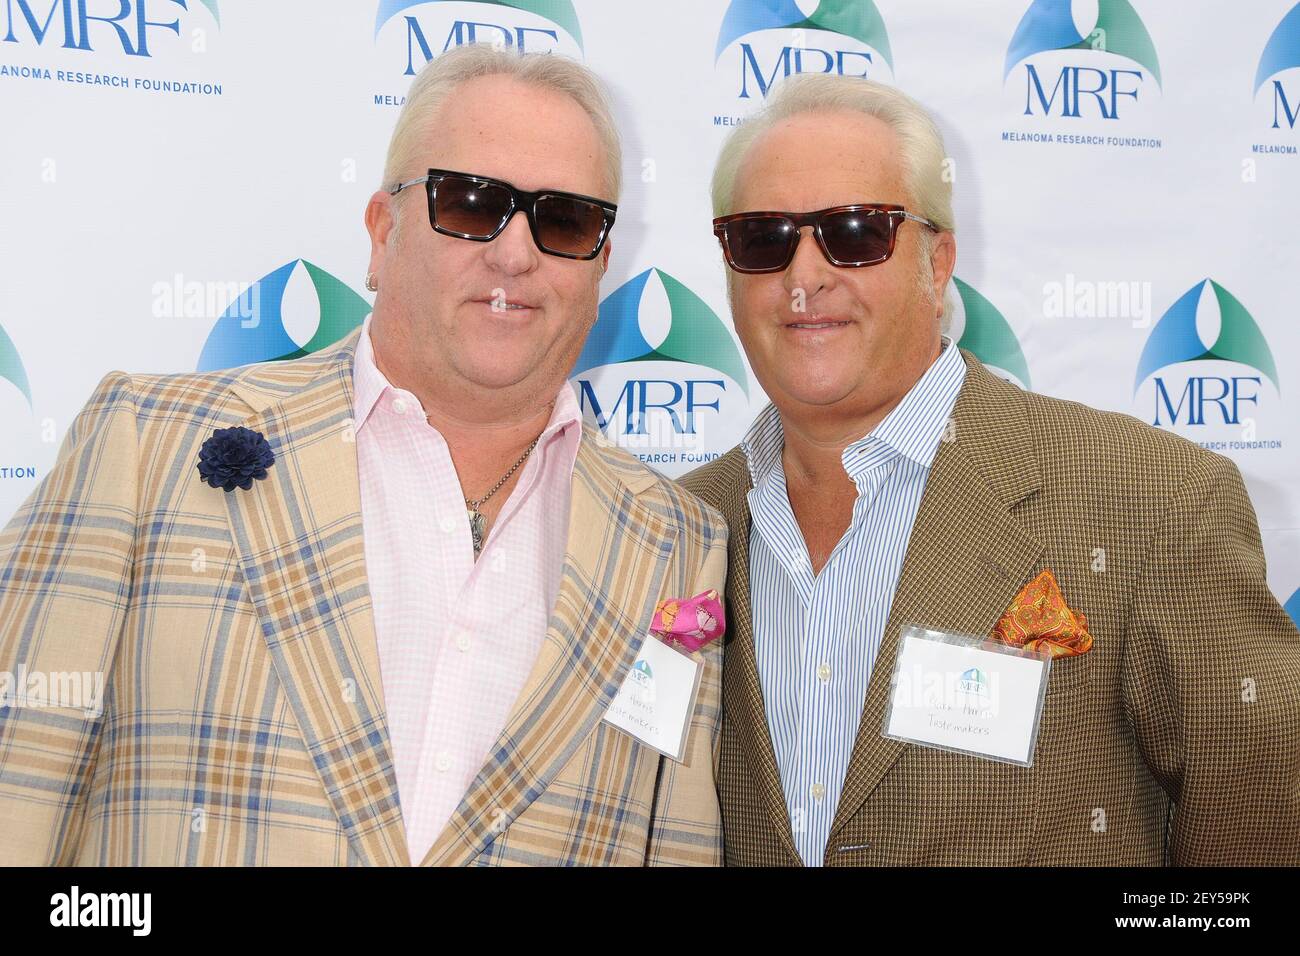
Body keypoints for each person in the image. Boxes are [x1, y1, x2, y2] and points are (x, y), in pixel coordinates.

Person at [0, 45, 726, 867]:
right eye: (471, 201)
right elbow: (17, 786)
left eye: (563, 220)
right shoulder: (148, 443)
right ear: (382, 235)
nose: (515, 252)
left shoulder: (675, 542)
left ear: (600, 264)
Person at [681, 72, 1300, 867]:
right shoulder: (680, 524)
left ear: (936, 265)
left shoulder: (1155, 503)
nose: (805, 277)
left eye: (856, 231)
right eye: (764, 238)